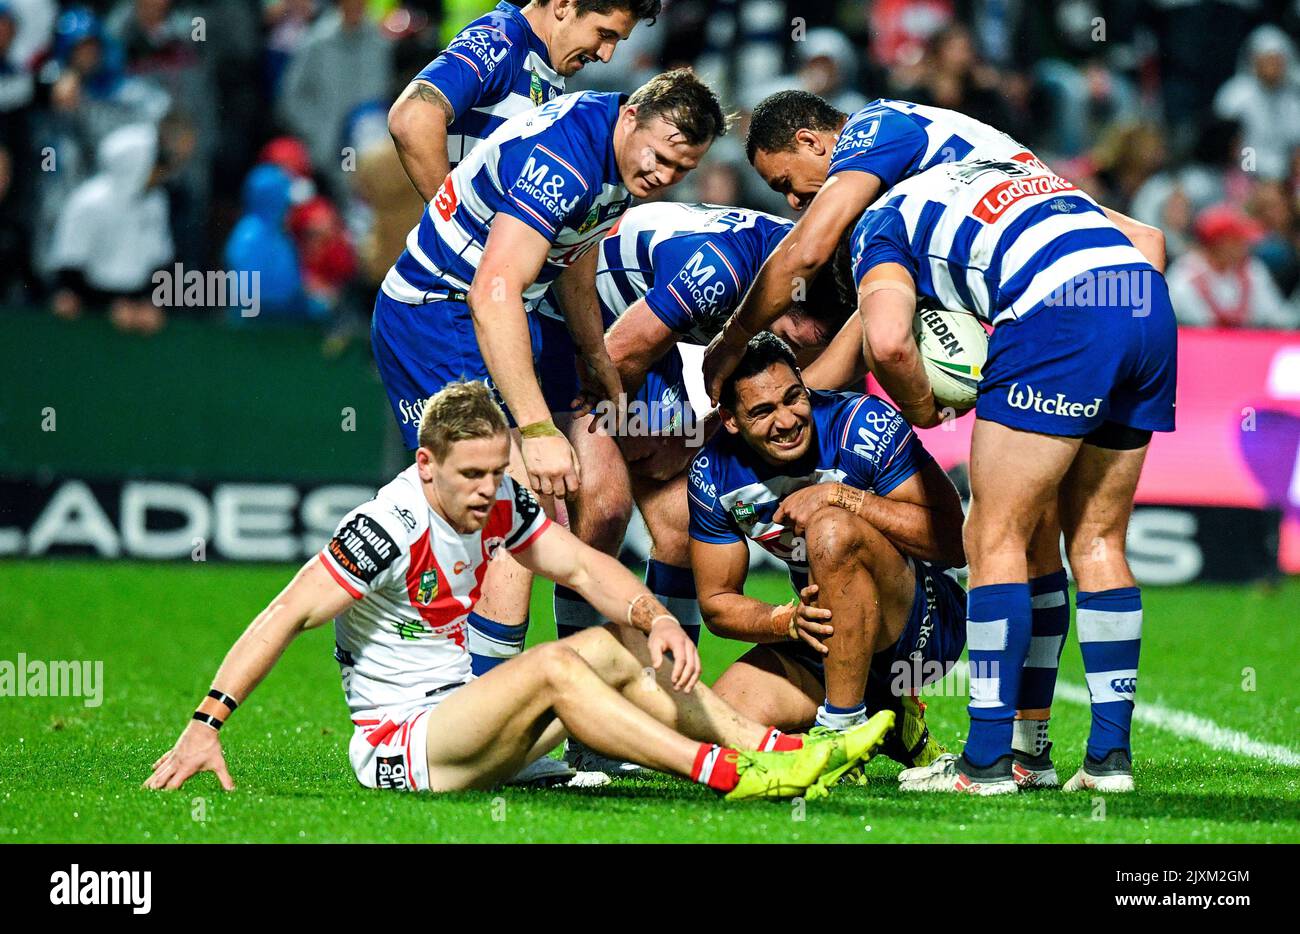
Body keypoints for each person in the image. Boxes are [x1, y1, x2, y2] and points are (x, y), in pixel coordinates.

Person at [142, 380, 890, 800]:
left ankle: (782, 753)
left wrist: (656, 615)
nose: (486, 488)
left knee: (612, 640)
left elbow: (581, 566)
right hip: (402, 745)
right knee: (559, 665)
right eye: (469, 474)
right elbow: (284, 613)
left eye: (495, 469)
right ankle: (730, 774)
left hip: (471, 722)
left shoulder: (499, 499)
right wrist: (207, 722)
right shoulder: (385, 525)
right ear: (426, 464)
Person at [371, 70, 723, 695]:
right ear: (632, 116)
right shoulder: (565, 160)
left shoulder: (611, 154)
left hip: (523, 314)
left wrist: (595, 357)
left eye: (682, 169)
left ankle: (591, 719)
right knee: (520, 503)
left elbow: (574, 250)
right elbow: (492, 291)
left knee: (606, 502)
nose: (665, 178)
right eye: (661, 157)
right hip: (436, 310)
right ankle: (484, 713)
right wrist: (535, 430)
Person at [846, 158, 1177, 794]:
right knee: (1100, 541)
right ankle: (1108, 760)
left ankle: (988, 759)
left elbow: (888, 344)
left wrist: (925, 406)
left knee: (994, 534)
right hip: (1145, 307)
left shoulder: (879, 219)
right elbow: (1153, 242)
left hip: (1061, 316)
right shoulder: (1008, 170)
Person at [537, 200, 851, 772]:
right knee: (604, 510)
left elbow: (801, 386)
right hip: (585, 322)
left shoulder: (818, 271)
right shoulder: (721, 270)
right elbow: (614, 354)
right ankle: (585, 729)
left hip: (641, 334)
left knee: (680, 525)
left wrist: (684, 437)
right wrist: (639, 439)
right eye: (802, 331)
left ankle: (661, 716)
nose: (804, 345)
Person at [703, 90, 1167, 402]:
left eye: (785, 180)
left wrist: (732, 339)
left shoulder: (878, 126)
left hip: (1045, 317)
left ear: (811, 140)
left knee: (994, 531)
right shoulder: (932, 204)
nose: (792, 201)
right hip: (1100, 326)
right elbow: (1146, 239)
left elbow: (806, 251)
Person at [688, 333, 966, 771]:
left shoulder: (863, 424)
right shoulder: (712, 473)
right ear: (730, 420)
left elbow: (954, 542)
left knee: (832, 529)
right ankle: (889, 717)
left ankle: (842, 732)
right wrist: (783, 621)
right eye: (762, 412)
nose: (786, 420)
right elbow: (717, 603)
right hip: (824, 635)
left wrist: (842, 498)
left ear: (804, 382)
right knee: (714, 727)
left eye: (793, 397)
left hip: (920, 625)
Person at [387, 0, 661, 203]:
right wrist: (453, 223)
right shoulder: (502, 37)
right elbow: (413, 118)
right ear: (564, 4)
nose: (607, 54)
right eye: (604, 35)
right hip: (454, 276)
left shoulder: (548, 67)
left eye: (617, 41)